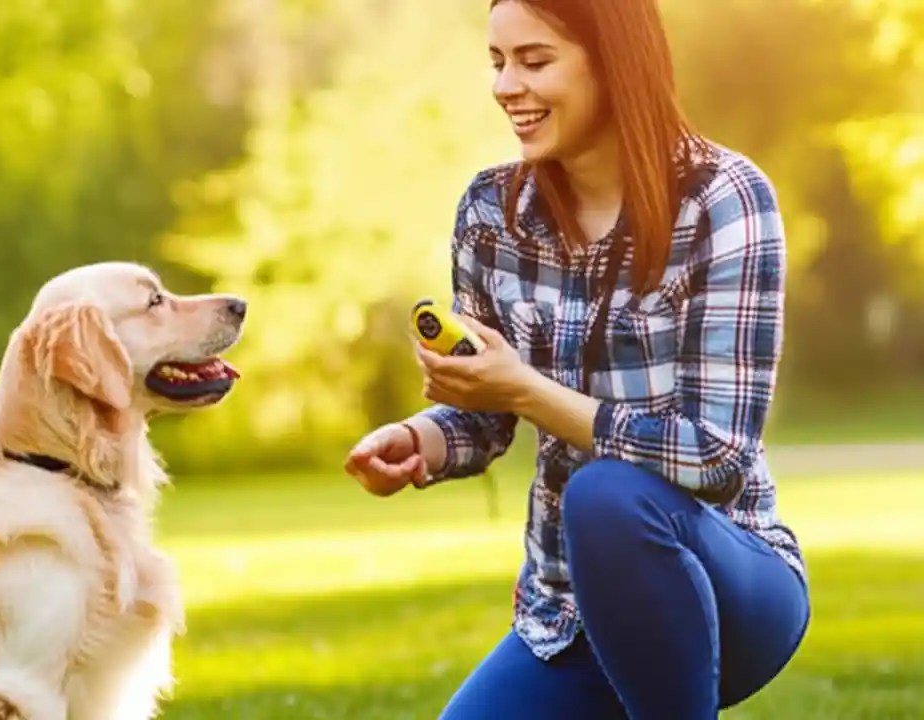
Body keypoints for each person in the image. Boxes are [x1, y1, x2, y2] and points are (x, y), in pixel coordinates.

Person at [342, 1, 810, 718]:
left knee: (608, 495)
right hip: (566, 616)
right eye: (498, 63)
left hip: (729, 579)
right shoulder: (490, 213)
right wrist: (424, 442)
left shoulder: (723, 200)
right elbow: (491, 413)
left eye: (534, 61)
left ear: (615, 63)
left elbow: (717, 455)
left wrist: (525, 391)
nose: (505, 87)